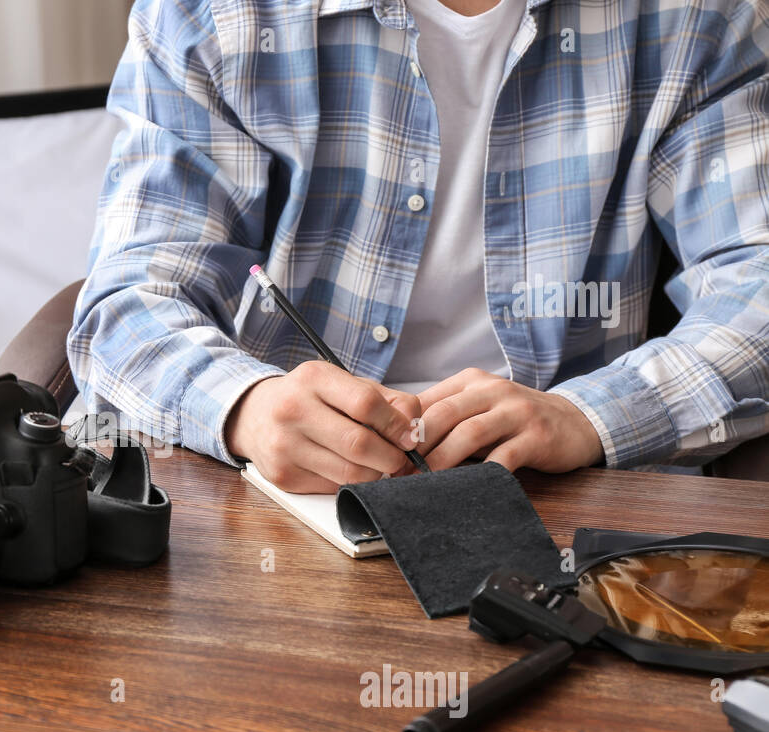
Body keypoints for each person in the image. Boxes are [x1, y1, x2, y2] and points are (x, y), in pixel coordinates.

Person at [69, 0, 769, 492]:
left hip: (555, 497)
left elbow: (757, 279)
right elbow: (131, 299)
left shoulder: (697, 16)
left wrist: (591, 414)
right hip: (266, 492)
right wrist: (244, 405)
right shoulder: (213, 12)